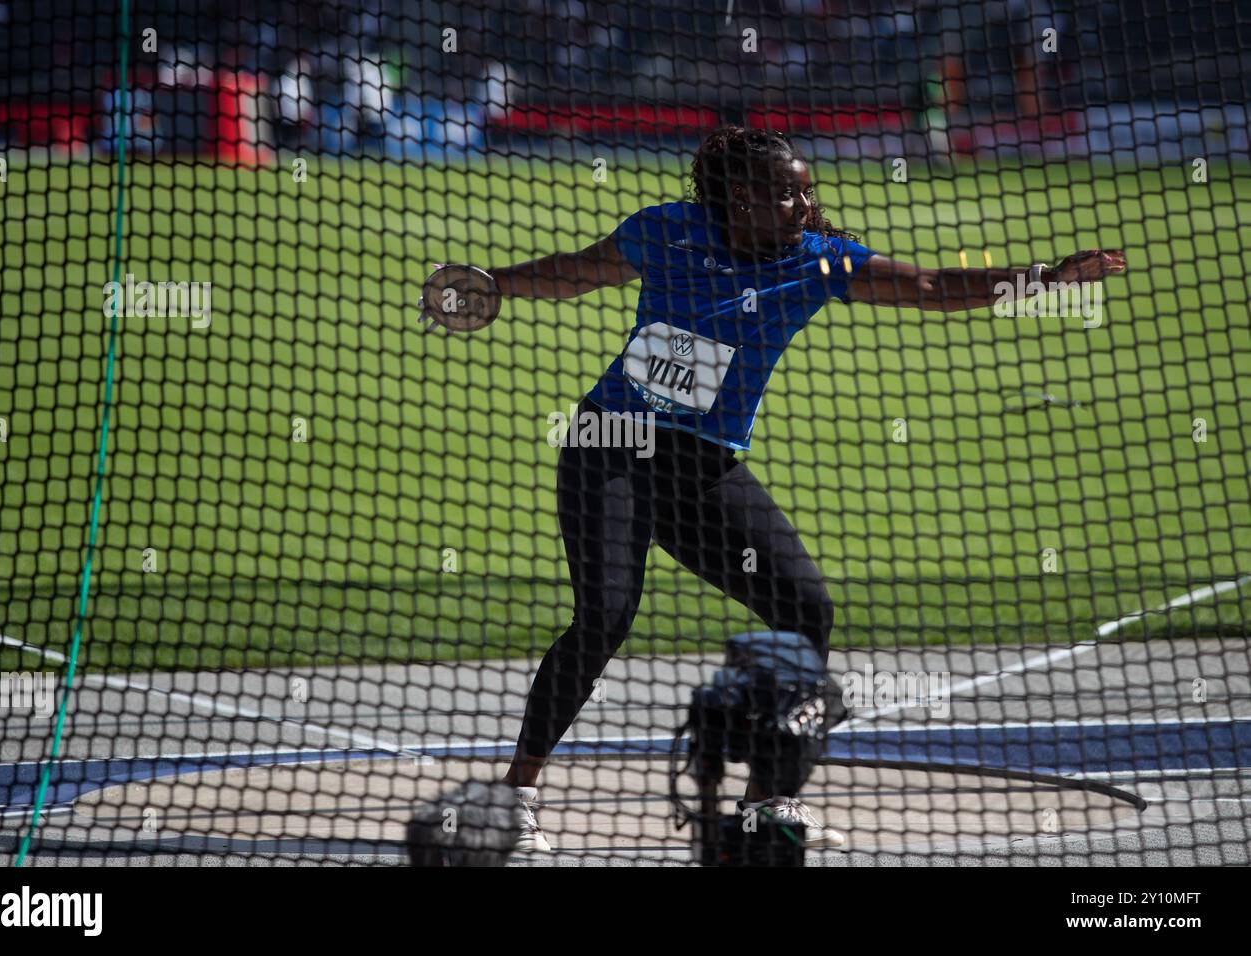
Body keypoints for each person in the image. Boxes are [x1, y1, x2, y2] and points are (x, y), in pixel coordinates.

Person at [457, 125, 1125, 853]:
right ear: (740, 197)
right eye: (790, 192)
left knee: (804, 607)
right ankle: (513, 795)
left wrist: (1045, 278)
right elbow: (578, 271)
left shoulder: (818, 261)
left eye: (808, 190)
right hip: (612, 444)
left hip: (702, 466)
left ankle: (766, 802)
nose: (806, 204)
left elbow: (933, 286)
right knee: (606, 615)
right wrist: (493, 285)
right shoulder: (667, 231)